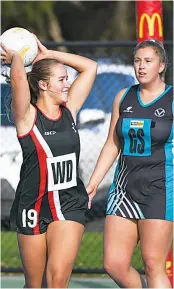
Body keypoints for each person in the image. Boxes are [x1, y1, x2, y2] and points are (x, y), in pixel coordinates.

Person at [0, 36, 97, 288]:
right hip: (32, 204)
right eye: (62, 79)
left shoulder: (70, 110)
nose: (68, 84)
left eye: (67, 79)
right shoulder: (27, 117)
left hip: (69, 203)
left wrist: (49, 53)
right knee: (35, 284)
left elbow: (90, 67)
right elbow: (20, 80)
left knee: (56, 281)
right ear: (43, 85)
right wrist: (18, 59)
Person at [86, 39, 173, 288]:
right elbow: (113, 143)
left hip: (160, 188)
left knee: (153, 264)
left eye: (148, 61)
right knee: (114, 264)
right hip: (124, 188)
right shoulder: (123, 97)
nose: (141, 66)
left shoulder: (171, 100)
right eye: (137, 61)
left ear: (161, 66)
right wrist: (93, 182)